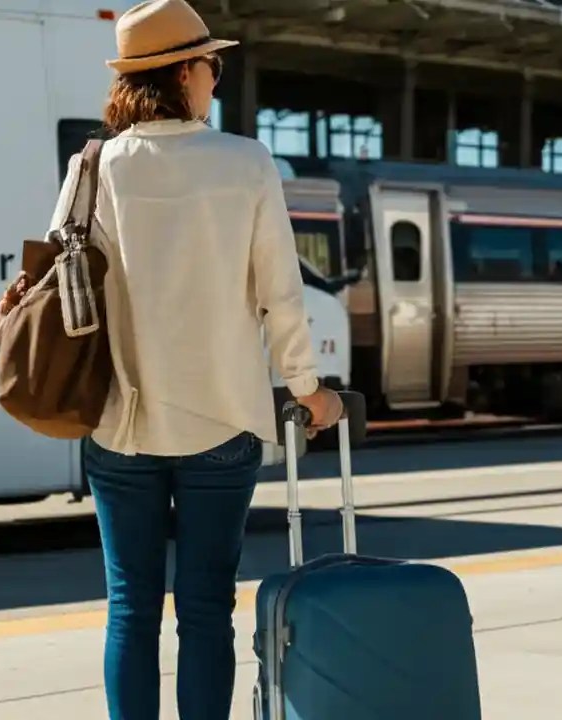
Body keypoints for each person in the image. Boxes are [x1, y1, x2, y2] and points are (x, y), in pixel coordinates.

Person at [51, 1, 343, 718]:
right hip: (221, 425)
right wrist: (309, 391)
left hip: (122, 426)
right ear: (185, 70)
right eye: (212, 64)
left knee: (131, 609)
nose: (216, 77)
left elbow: (63, 284)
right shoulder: (244, 162)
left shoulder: (94, 165)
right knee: (208, 610)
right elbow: (281, 293)